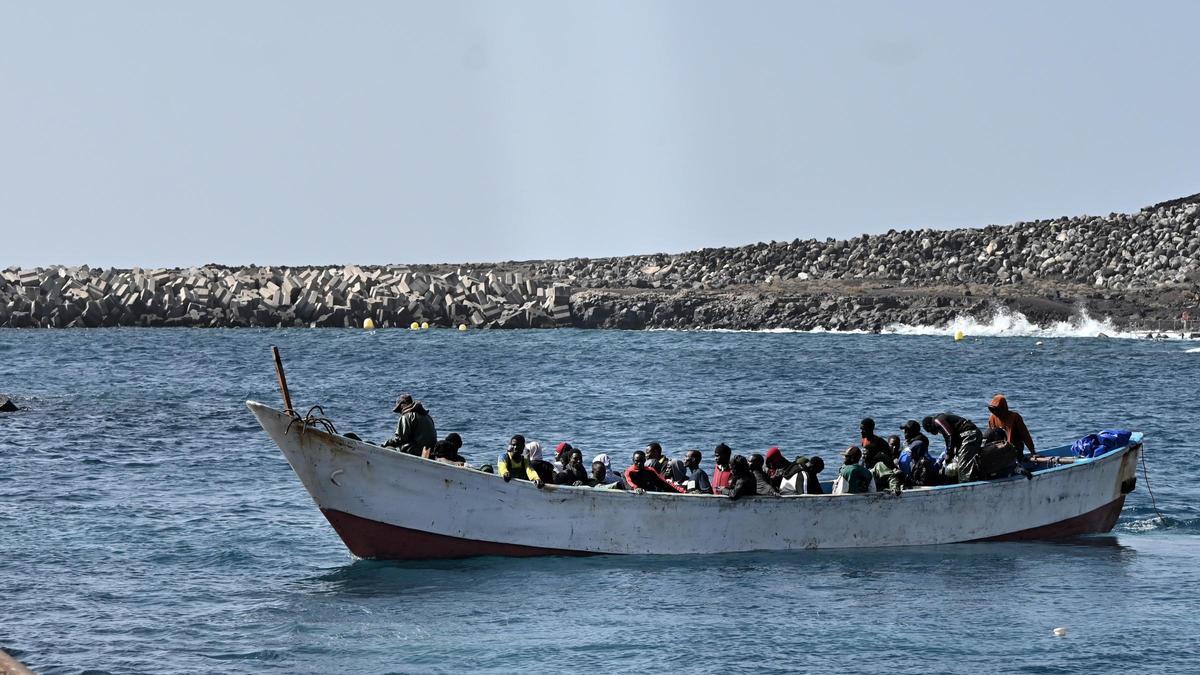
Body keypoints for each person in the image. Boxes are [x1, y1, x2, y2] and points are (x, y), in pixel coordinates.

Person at [922, 413, 983, 483]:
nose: (938, 433)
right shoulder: (944, 419)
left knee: (963, 465)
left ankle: (965, 485)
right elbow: (952, 438)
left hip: (969, 435)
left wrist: (949, 454)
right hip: (972, 435)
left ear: (929, 426)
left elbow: (950, 435)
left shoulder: (937, 420)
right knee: (961, 460)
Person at [900, 420, 939, 487]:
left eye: (907, 430)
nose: (905, 433)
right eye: (904, 430)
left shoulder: (918, 443)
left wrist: (907, 480)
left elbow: (924, 483)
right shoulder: (911, 441)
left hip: (921, 473)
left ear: (913, 431)